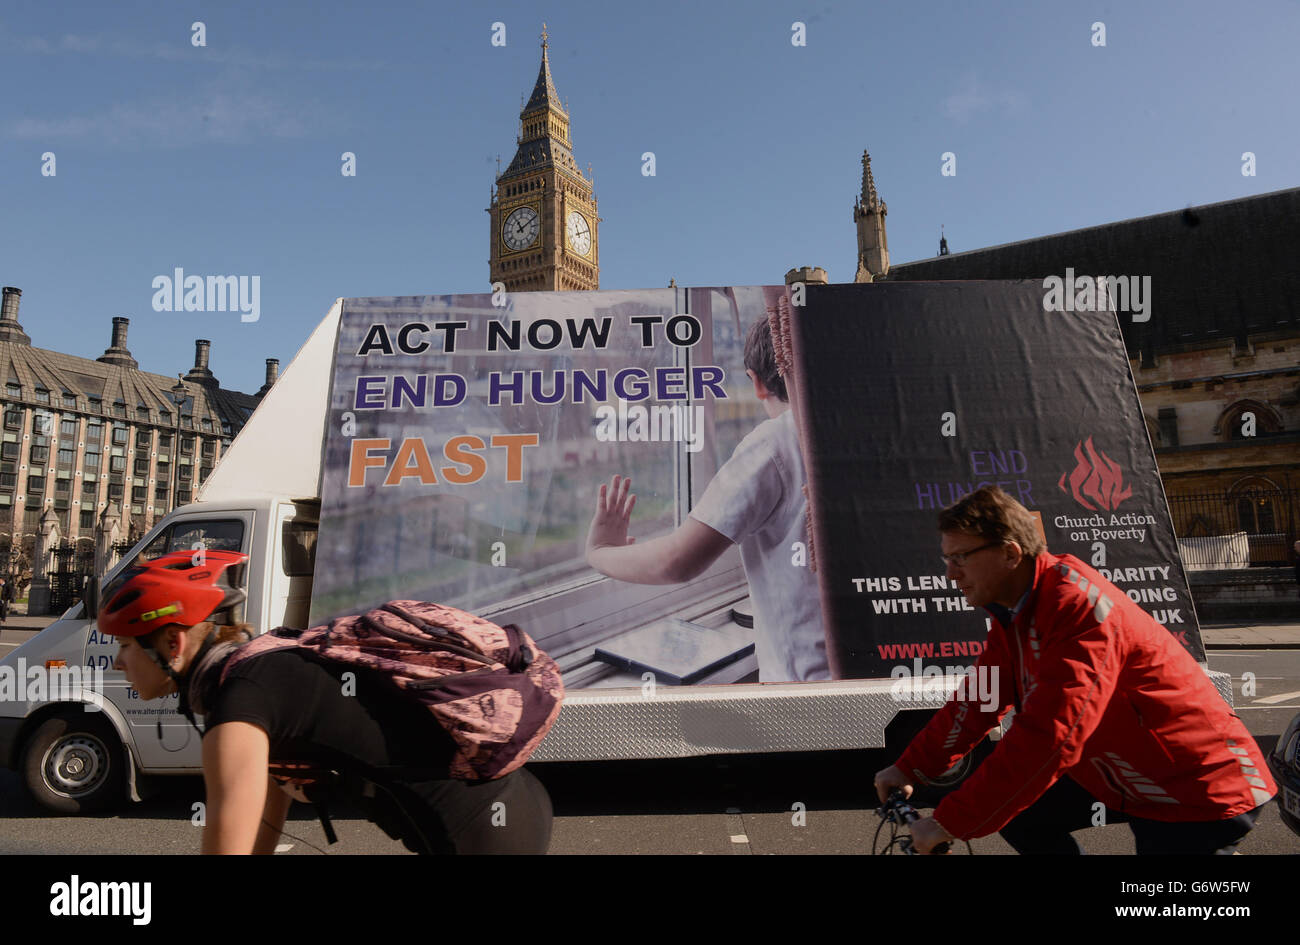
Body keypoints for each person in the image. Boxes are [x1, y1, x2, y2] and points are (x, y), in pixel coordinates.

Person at [874, 485, 1276, 855]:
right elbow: (980, 700)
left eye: (961, 557)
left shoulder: (1077, 607)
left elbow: (1050, 738)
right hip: (1128, 774)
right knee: (1022, 814)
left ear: (1011, 553)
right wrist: (910, 766)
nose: (950, 573)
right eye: (947, 558)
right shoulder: (1015, 611)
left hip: (1195, 787)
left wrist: (949, 821)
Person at [103, 550, 553, 855]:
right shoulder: (259, 666)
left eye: (125, 646)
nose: (119, 662)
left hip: (477, 834)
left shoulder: (238, 705)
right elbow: (262, 819)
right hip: (513, 807)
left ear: (172, 642)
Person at [585, 317, 829, 682]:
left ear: (756, 383)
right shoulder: (857, 428)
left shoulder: (774, 443)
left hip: (806, 691)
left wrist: (600, 553)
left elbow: (677, 562)